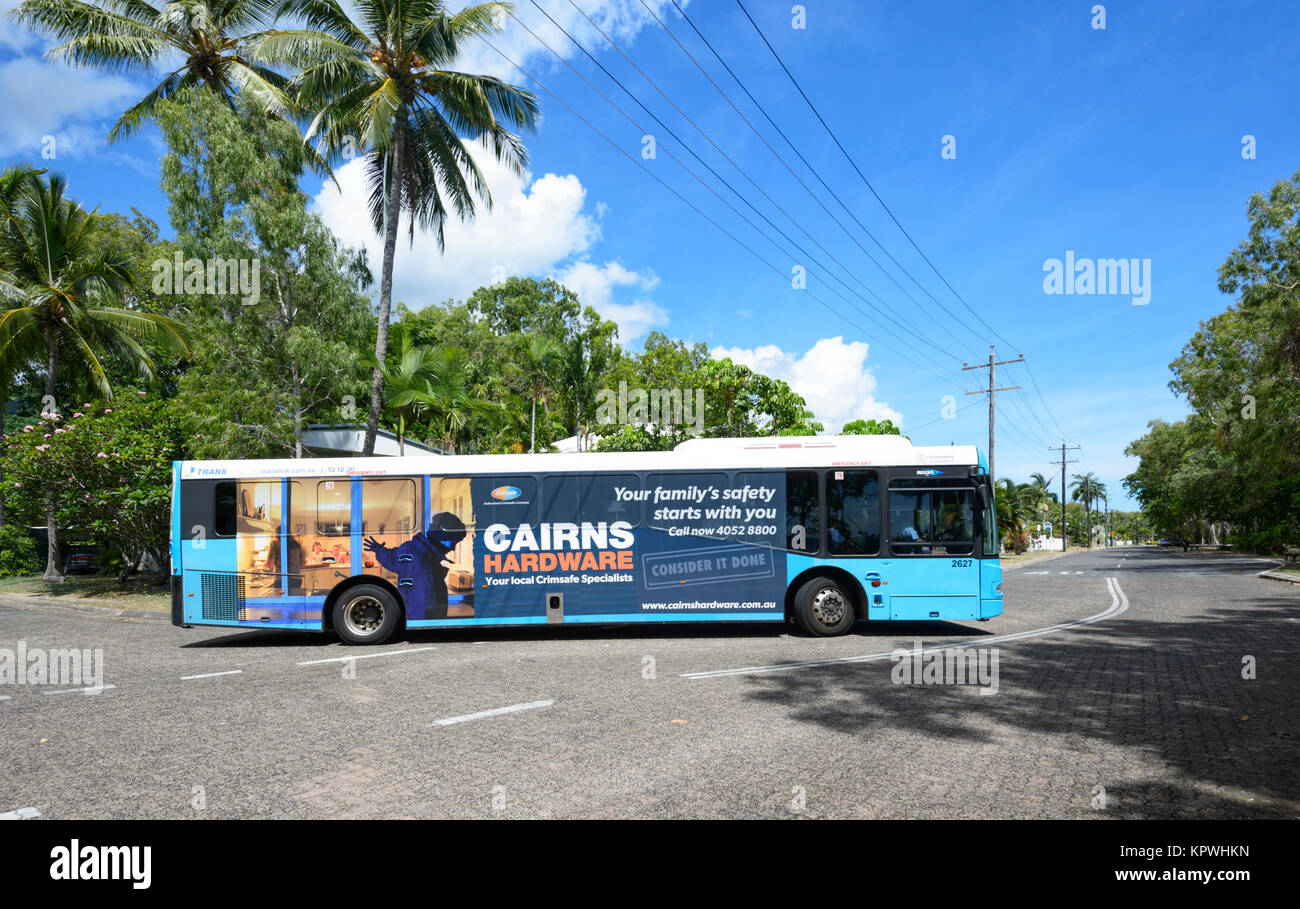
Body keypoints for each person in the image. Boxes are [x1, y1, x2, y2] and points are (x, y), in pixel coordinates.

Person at [364, 512, 467, 620]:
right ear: (441, 537)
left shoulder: (410, 548)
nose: (453, 548)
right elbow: (421, 607)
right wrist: (426, 630)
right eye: (453, 543)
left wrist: (379, 550)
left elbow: (390, 557)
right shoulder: (425, 565)